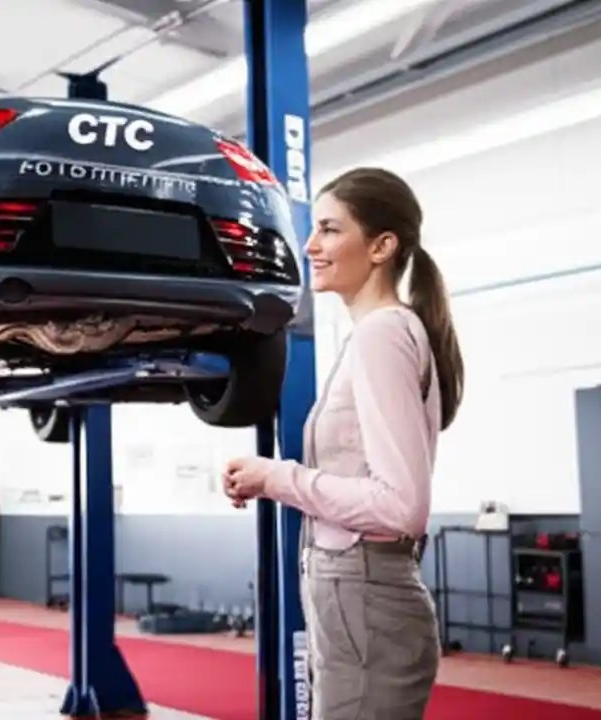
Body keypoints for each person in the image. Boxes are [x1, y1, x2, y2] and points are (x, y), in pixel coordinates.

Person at [222, 167, 464, 719]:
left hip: (367, 597)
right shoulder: (377, 335)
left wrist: (276, 478)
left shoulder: (383, 334)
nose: (311, 245)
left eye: (330, 230)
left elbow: (400, 506)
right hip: (357, 596)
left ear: (381, 246)